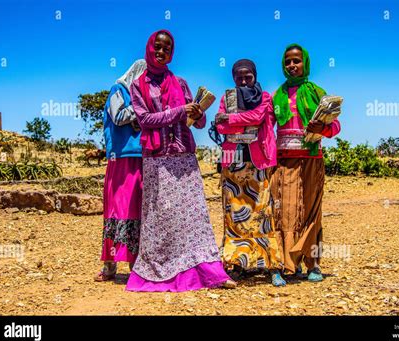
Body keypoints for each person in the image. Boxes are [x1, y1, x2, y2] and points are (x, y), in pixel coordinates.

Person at [126, 30, 236, 292]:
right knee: (161, 218)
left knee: (194, 216)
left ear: (172, 53)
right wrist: (179, 111)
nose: (161, 52)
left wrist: (198, 114)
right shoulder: (137, 86)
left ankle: (208, 272)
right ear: (149, 49)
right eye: (157, 47)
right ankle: (160, 272)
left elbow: (197, 124)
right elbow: (145, 121)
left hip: (184, 156)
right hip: (157, 160)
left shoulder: (181, 83)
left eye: (167, 48)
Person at [271, 44, 341, 282]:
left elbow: (336, 125)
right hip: (283, 163)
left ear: (305, 63)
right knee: (285, 213)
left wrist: (323, 128)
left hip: (312, 159)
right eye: (288, 62)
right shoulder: (277, 95)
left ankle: (313, 265)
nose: (292, 65)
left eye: (297, 61)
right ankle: (284, 264)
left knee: (311, 213)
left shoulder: (318, 93)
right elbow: (266, 126)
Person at [215, 59, 285, 287]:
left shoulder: (264, 97)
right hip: (232, 163)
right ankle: (237, 264)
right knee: (234, 216)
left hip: (258, 162)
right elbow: (221, 127)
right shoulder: (227, 98)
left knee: (262, 213)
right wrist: (234, 123)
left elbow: (257, 117)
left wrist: (233, 119)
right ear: (233, 78)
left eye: (248, 77)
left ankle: (272, 266)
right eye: (239, 77)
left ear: (255, 76)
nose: (244, 81)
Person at [95, 59, 146, 282]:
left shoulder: (143, 96)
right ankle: (110, 264)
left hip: (141, 158)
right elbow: (118, 116)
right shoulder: (119, 90)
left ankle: (136, 264)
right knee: (117, 209)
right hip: (121, 159)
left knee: (137, 209)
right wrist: (143, 110)